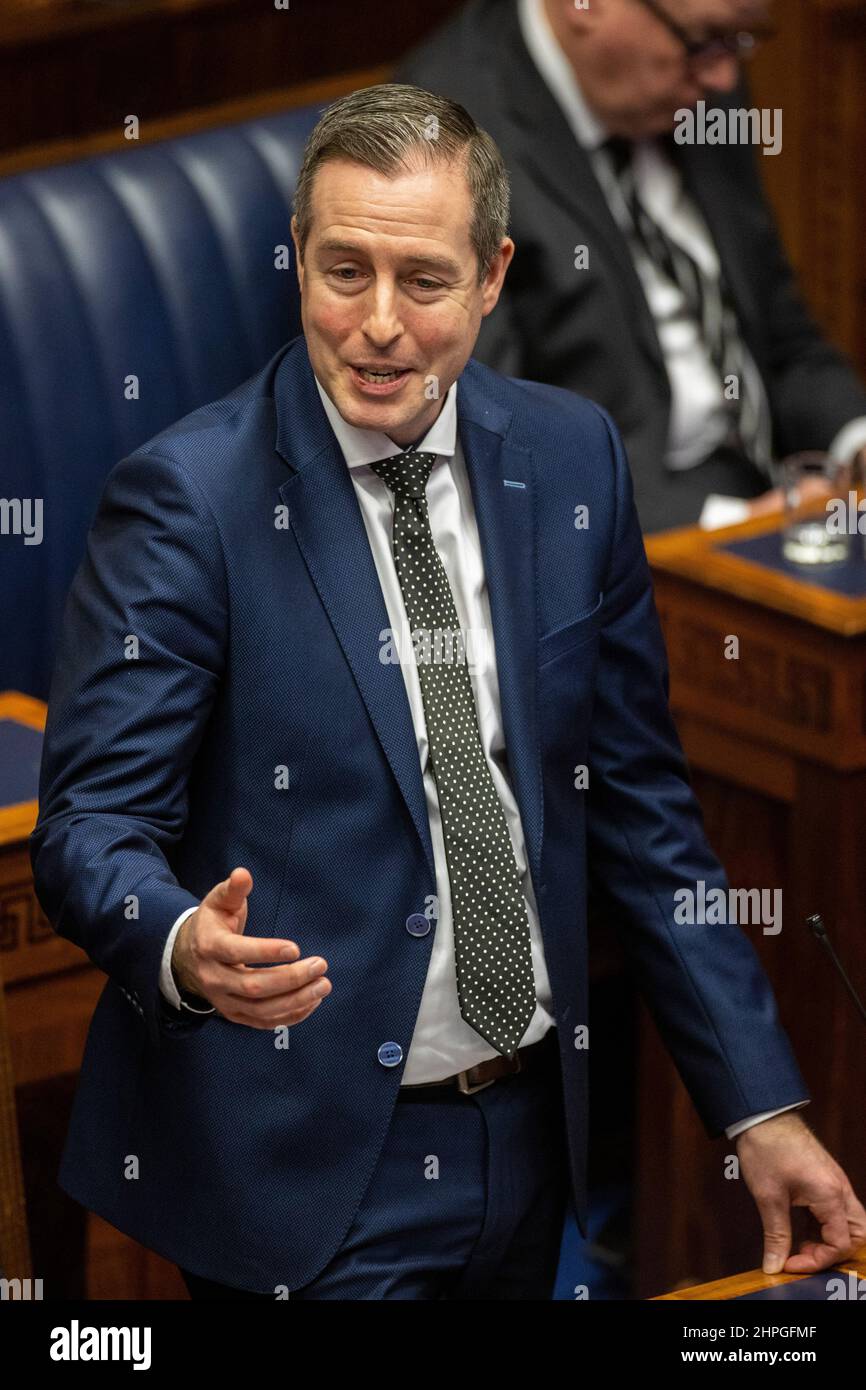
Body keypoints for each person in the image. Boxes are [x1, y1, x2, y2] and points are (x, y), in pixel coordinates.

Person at [31, 83, 865, 1300]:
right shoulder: (190, 503)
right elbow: (88, 827)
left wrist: (760, 1105)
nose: (375, 325)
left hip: (528, 1137)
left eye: (420, 280)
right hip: (311, 1172)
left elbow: (640, 814)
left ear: (491, 275)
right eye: (340, 270)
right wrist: (175, 940)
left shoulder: (572, 456)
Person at [396, 0, 866, 533]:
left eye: (740, 42)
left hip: (777, 483)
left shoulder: (700, 90)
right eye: (703, 41)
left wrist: (855, 437)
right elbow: (487, 442)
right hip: (620, 531)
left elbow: (781, 333)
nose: (724, 75)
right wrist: (729, 527)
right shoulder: (440, 140)